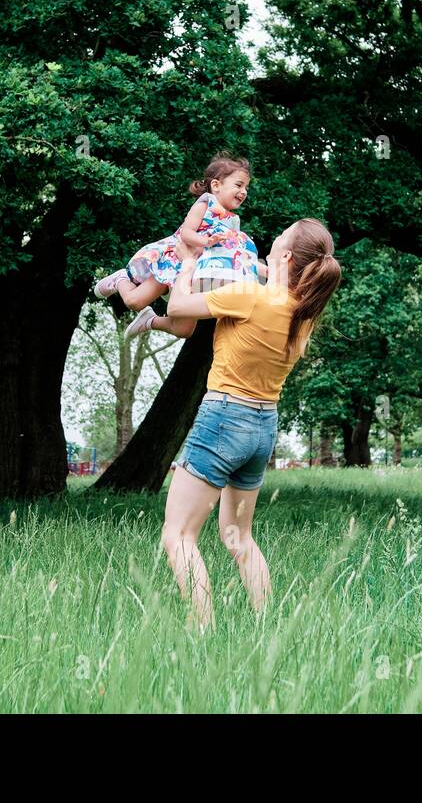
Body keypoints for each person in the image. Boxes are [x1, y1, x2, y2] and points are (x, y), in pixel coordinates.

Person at [156, 217, 342, 631]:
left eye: (279, 238)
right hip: (262, 428)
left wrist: (188, 261)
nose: (272, 241)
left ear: (287, 255)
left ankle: (201, 632)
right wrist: (252, 263)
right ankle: (266, 629)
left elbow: (177, 308)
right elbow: (273, 282)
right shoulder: (303, 314)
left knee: (179, 535)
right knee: (238, 537)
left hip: (223, 419)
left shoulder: (248, 298)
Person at [92, 152, 265, 339]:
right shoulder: (205, 204)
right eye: (239, 185)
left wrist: (262, 270)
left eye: (246, 187)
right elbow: (186, 233)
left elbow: (235, 255)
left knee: (184, 330)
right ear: (216, 185)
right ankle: (121, 279)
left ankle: (149, 321)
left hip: (196, 273)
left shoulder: (233, 221)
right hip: (175, 263)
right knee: (135, 301)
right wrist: (205, 241)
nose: (244, 191)